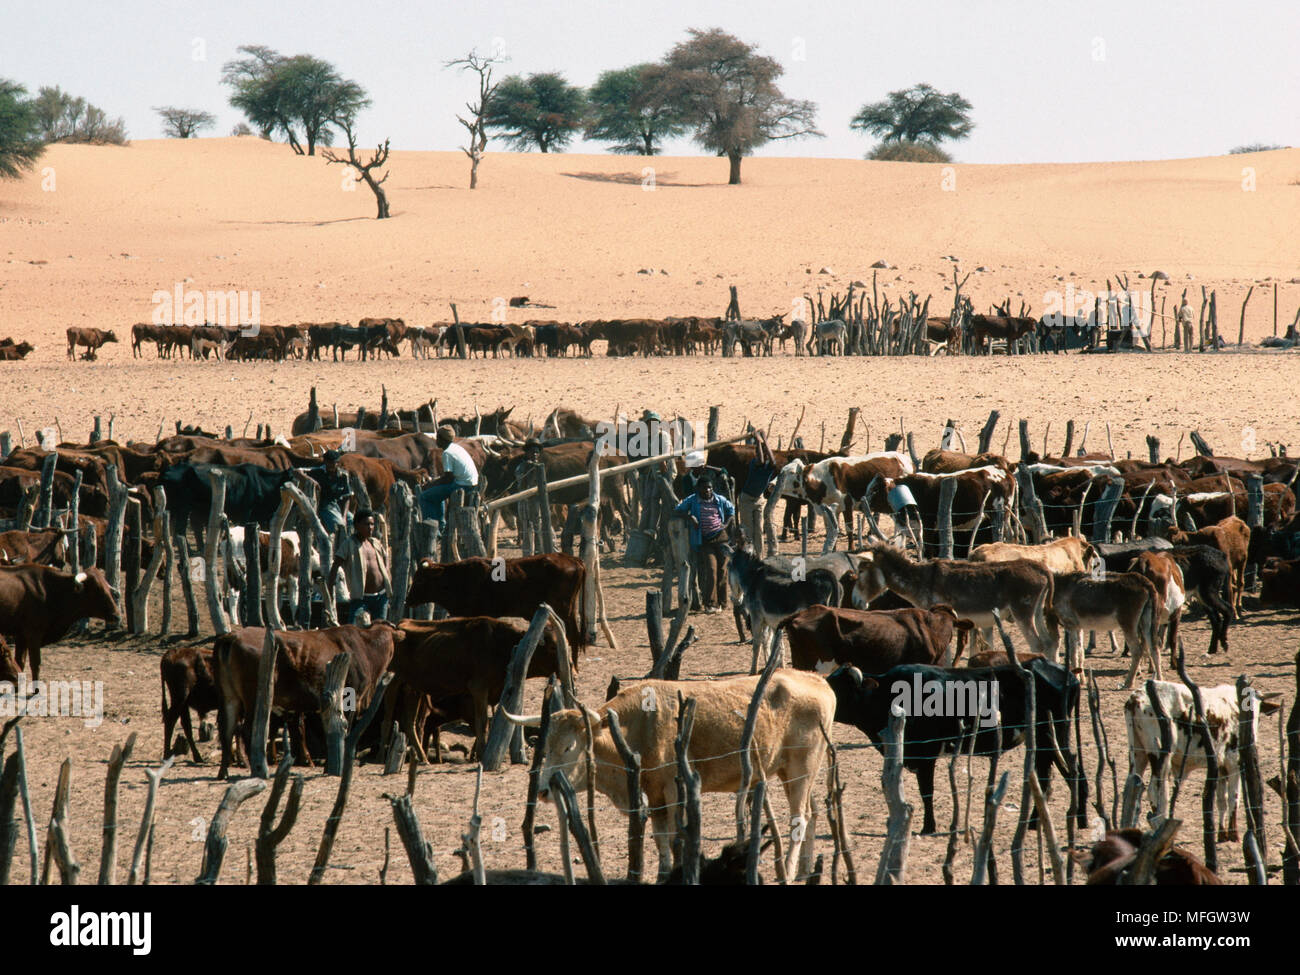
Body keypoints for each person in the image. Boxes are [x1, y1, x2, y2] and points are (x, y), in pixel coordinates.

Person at [674, 471, 735, 614]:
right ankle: (710, 603)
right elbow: (677, 510)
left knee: (723, 570)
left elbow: (731, 510)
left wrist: (726, 524)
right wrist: (690, 517)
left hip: (721, 537)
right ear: (698, 489)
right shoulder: (693, 500)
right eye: (704, 488)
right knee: (712, 570)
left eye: (710, 488)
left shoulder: (719, 499)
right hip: (705, 540)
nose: (707, 490)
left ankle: (722, 602)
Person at [329, 508, 391, 624]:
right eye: (366, 524)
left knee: (379, 629)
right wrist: (329, 590)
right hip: (361, 599)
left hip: (381, 597)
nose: (370, 527)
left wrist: (387, 573)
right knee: (355, 629)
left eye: (372, 524)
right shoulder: (349, 544)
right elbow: (335, 565)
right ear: (357, 525)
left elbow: (385, 558)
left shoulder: (375, 543)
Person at [419, 426, 478, 529]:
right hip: (471, 483)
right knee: (438, 494)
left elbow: (448, 479)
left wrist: (430, 484)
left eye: (438, 437)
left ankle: (432, 528)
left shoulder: (447, 453)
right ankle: (441, 524)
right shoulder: (456, 448)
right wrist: (436, 482)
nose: (436, 440)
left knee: (425, 497)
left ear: (442, 439)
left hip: (462, 485)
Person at [737, 430, 777, 555]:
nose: (766, 455)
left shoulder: (769, 467)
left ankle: (759, 557)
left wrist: (764, 440)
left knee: (758, 530)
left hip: (759, 499)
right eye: (763, 452)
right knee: (748, 530)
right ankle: (748, 556)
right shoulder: (755, 463)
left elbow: (773, 461)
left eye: (767, 453)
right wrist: (759, 441)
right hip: (746, 499)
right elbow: (760, 459)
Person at [308, 449, 352, 534]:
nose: (331, 465)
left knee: (352, 521)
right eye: (329, 462)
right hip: (324, 506)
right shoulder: (317, 472)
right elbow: (297, 472)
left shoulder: (343, 476)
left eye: (334, 463)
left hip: (338, 506)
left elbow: (347, 497)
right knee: (339, 525)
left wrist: (344, 516)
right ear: (325, 462)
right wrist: (312, 481)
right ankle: (337, 541)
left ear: (337, 463)